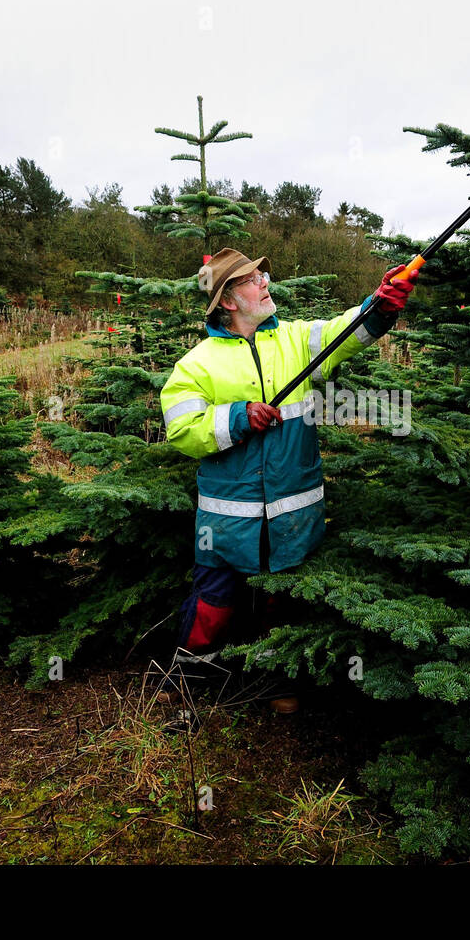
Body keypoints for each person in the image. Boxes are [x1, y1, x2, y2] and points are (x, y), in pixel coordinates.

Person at [158, 247, 416, 715]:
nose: (266, 283)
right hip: (227, 517)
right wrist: (236, 417)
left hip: (292, 511)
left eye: (263, 275)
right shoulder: (196, 365)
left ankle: (275, 683)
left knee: (281, 603)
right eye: (254, 280)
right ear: (229, 301)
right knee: (213, 603)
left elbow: (347, 331)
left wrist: (381, 303)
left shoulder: (297, 340)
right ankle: (187, 681)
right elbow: (180, 429)